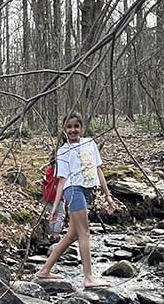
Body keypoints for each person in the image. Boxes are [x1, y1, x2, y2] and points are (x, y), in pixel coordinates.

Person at [35, 111, 116, 288]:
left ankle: (44, 270)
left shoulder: (90, 144)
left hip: (87, 191)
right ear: (64, 130)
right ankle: (88, 278)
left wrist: (108, 196)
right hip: (73, 191)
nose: (73, 130)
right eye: (69, 127)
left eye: (76, 126)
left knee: (71, 236)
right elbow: (62, 181)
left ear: (81, 127)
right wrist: (55, 207)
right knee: (84, 233)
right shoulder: (63, 151)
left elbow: (99, 170)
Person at [42, 154, 65, 239]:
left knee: (52, 213)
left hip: (48, 195)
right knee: (60, 214)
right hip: (58, 196)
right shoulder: (61, 171)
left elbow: (43, 183)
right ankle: (56, 233)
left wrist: (44, 196)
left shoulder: (49, 171)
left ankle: (51, 232)